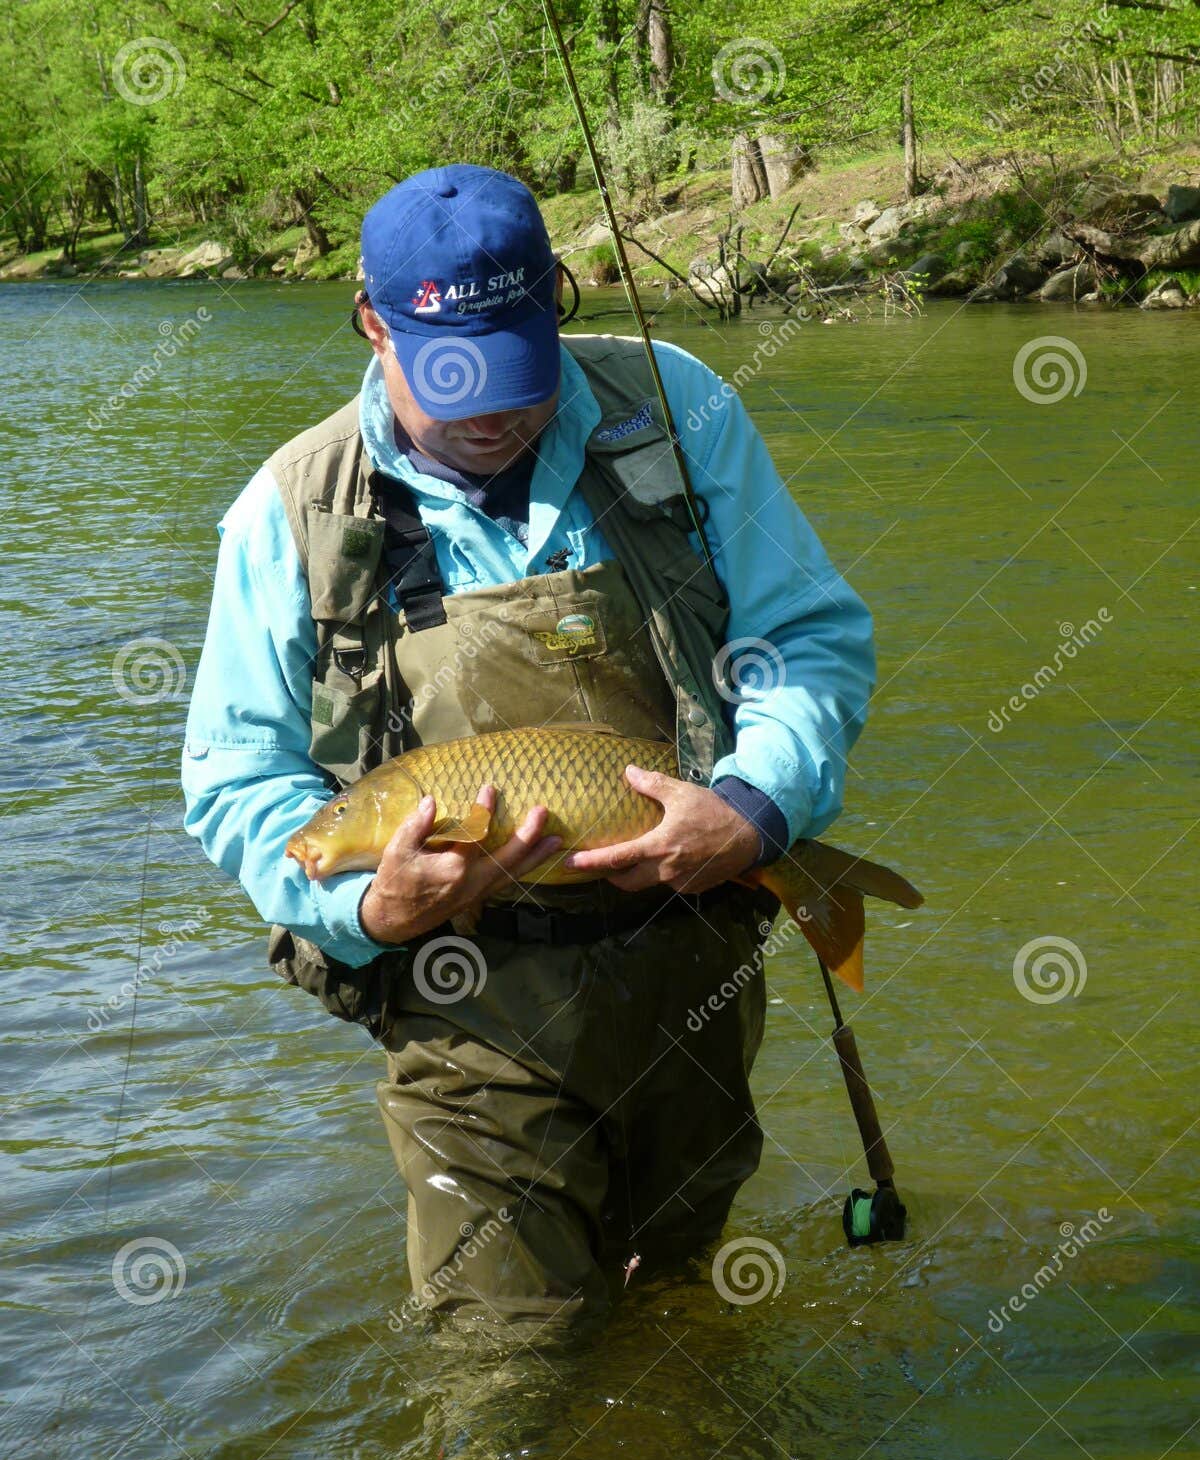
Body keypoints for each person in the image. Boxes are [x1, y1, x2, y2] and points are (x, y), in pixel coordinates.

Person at [183, 163, 874, 1340]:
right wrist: (364, 906)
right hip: (469, 1013)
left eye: (522, 368)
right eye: (458, 384)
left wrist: (757, 807)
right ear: (372, 323)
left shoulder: (674, 409)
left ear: (558, 299)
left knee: (680, 1313)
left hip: (692, 965)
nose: (498, 413)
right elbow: (236, 781)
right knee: (506, 1358)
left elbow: (803, 636)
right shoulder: (289, 510)